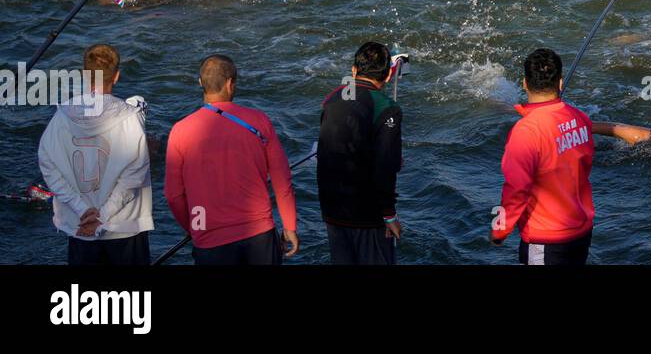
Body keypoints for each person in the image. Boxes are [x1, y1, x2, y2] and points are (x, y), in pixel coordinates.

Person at [164, 54, 298, 264]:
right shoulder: (260, 121)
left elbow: (173, 195)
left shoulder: (179, 131)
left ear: (201, 83)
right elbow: (282, 181)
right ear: (230, 84)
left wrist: (194, 228)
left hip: (209, 240)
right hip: (259, 235)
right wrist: (289, 226)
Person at [37, 43, 153, 264]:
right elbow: (135, 173)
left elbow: (48, 165)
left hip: (79, 225)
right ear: (116, 76)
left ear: (83, 74)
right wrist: (103, 215)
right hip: (124, 227)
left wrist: (83, 211)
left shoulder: (61, 117)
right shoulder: (130, 118)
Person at [491, 47, 594, 265]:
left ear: (525, 83)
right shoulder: (581, 119)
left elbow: (516, 190)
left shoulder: (525, 131)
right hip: (582, 232)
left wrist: (499, 230)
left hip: (545, 239)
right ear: (560, 83)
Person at [317, 42, 403, 265]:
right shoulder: (387, 108)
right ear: (386, 78)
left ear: (354, 71)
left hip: (331, 210)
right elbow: (386, 166)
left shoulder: (331, 100)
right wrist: (389, 215)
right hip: (366, 215)